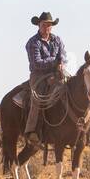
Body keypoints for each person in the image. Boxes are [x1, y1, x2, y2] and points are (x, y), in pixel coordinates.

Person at [24, 11, 67, 149]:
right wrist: (55, 61)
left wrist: (61, 62)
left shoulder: (57, 39)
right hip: (39, 76)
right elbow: (37, 63)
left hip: (57, 73)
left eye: (49, 25)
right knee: (38, 97)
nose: (47, 27)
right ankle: (32, 132)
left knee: (78, 85)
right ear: (39, 25)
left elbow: (63, 55)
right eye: (44, 25)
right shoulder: (32, 42)